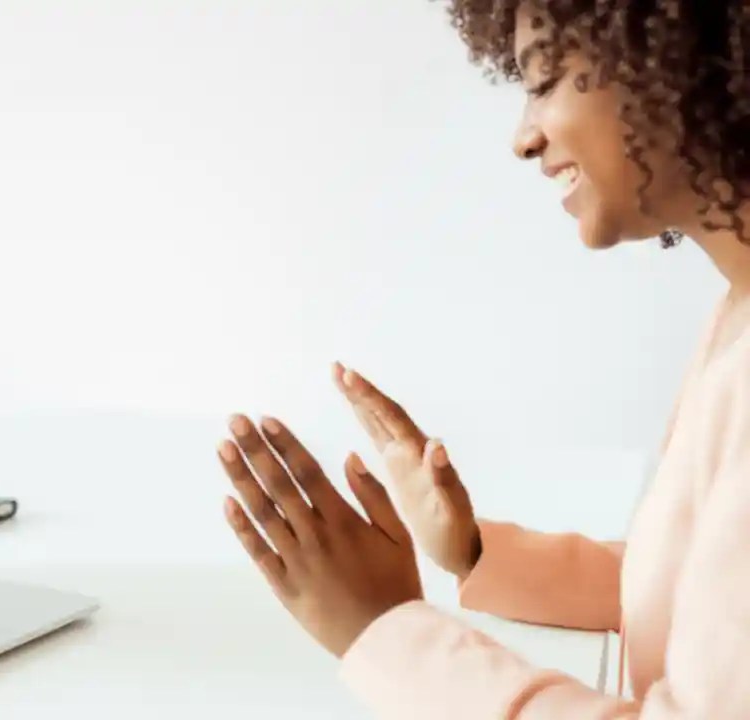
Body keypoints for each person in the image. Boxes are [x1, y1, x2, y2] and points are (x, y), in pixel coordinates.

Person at [217, 1, 750, 717]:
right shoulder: (735, 316)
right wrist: (473, 552)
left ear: (675, 63)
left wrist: (383, 631)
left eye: (545, 79)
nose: (523, 139)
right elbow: (698, 593)